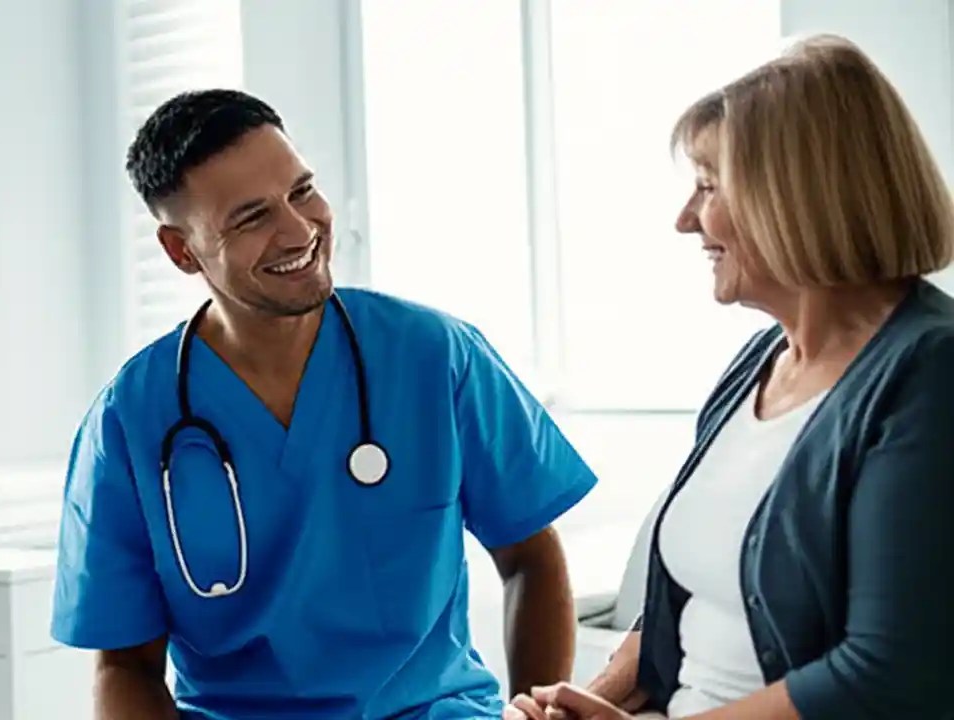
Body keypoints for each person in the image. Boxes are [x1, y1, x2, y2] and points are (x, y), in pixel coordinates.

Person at [49, 88, 600, 718]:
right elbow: (125, 666)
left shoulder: (434, 356)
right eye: (252, 217)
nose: (298, 229)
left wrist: (532, 711)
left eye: (301, 191)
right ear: (182, 250)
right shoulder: (130, 420)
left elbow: (530, 558)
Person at [506, 33, 954, 720]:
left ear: (797, 199)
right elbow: (674, 618)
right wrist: (582, 706)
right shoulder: (758, 363)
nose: (686, 219)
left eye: (709, 188)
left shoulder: (928, 373)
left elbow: (887, 676)